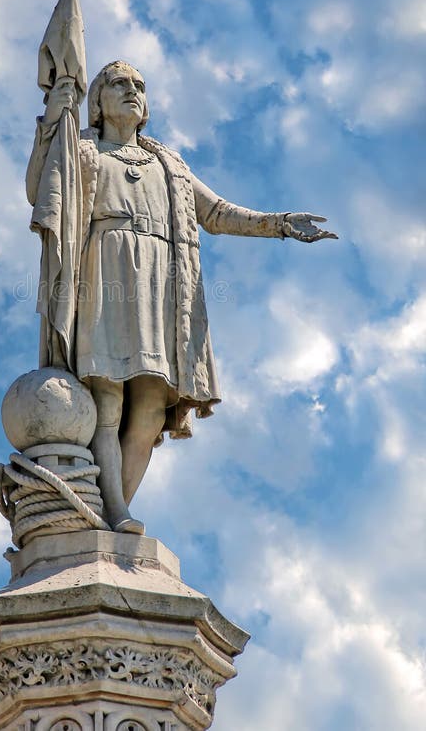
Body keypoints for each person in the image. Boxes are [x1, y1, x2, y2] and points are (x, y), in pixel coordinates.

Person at [27, 61, 336, 534]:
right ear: (97, 101)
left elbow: (215, 213)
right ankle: (115, 513)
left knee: (151, 406)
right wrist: (54, 121)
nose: (132, 91)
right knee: (107, 400)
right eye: (119, 84)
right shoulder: (82, 150)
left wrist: (278, 224)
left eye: (139, 86)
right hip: (103, 268)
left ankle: (104, 515)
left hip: (162, 280)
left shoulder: (167, 163)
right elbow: (41, 190)